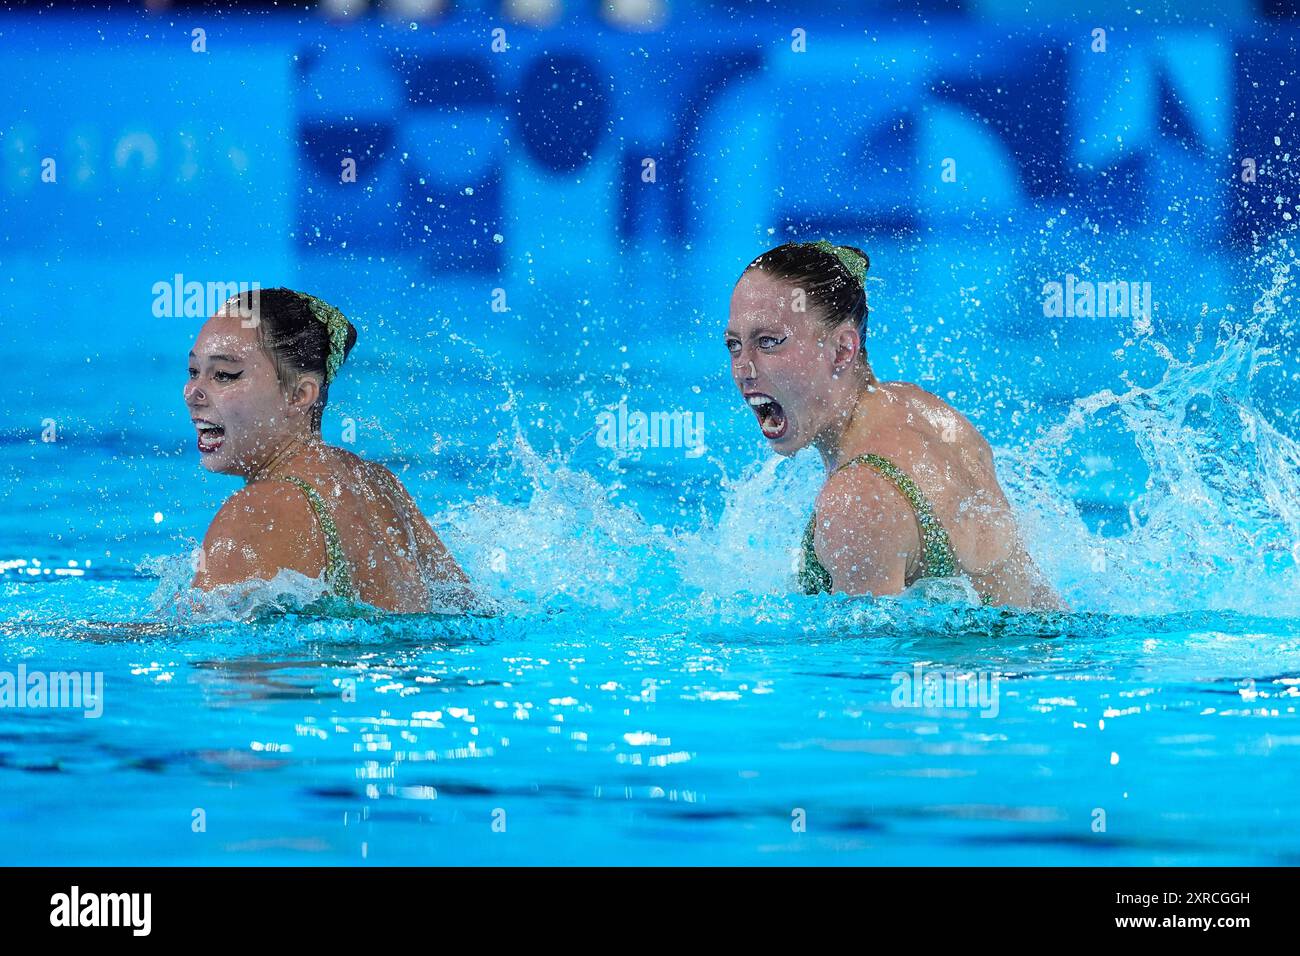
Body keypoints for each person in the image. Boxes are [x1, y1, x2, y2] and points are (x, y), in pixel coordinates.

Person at [725, 241, 1065, 610]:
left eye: (769, 342)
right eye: (734, 345)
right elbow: (1036, 604)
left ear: (842, 350)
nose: (744, 369)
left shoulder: (854, 501)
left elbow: (867, 662)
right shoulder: (926, 413)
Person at [183, 287, 474, 613]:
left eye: (224, 375)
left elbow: (196, 645)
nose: (193, 392)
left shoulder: (255, 512)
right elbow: (469, 611)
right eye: (194, 372)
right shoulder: (378, 483)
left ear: (300, 395)